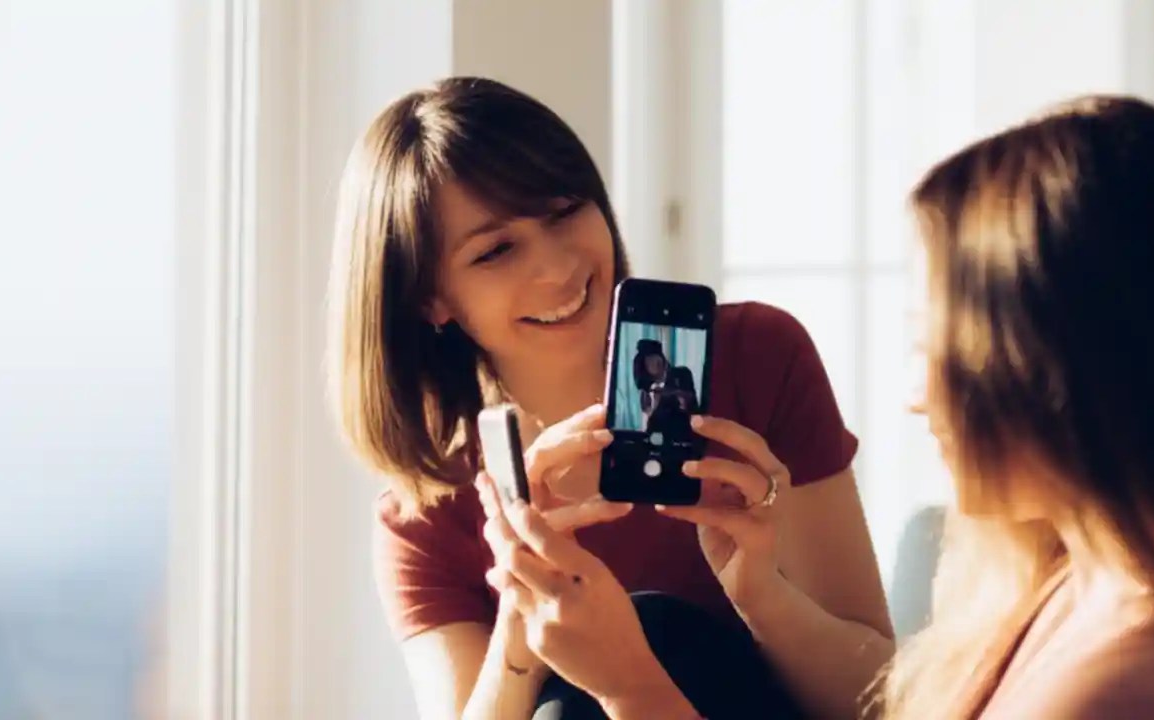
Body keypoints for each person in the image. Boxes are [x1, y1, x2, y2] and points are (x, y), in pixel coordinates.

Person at [328, 77, 891, 719]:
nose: (559, 267)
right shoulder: (426, 512)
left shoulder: (758, 358)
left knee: (659, 634)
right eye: (497, 251)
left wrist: (764, 599)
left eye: (566, 209)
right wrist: (520, 634)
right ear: (429, 299)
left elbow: (884, 705)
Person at [876, 95, 1154, 718]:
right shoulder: (1071, 583)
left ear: (1052, 365)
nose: (917, 399)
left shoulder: (1134, 683)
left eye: (938, 353)